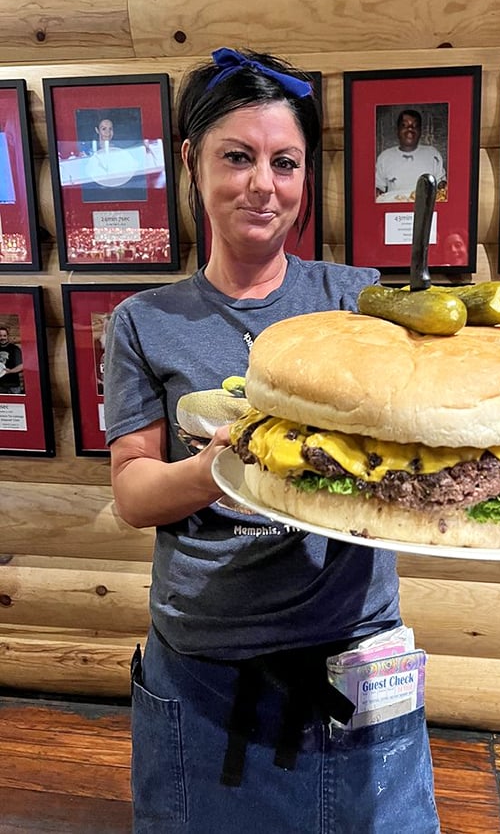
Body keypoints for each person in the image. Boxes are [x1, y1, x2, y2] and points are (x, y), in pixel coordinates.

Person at [103, 47, 440, 834]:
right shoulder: (145, 322)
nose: (264, 183)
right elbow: (133, 493)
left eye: (284, 162)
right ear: (191, 160)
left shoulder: (356, 301)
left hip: (354, 658)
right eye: (238, 157)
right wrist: (225, 465)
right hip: (206, 671)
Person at [375, 108, 446, 199]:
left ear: (420, 131)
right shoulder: (385, 157)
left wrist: (443, 187)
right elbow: (378, 189)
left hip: (425, 206)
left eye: (415, 126)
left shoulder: (433, 154)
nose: (410, 129)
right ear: (397, 130)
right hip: (394, 206)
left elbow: (441, 185)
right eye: (404, 125)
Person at [0, 325, 24, 395]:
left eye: (4, 335)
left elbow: (21, 366)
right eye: (0, 336)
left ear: (8, 336)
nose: (2, 338)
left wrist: (10, 371)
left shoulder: (14, 349)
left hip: (13, 385)